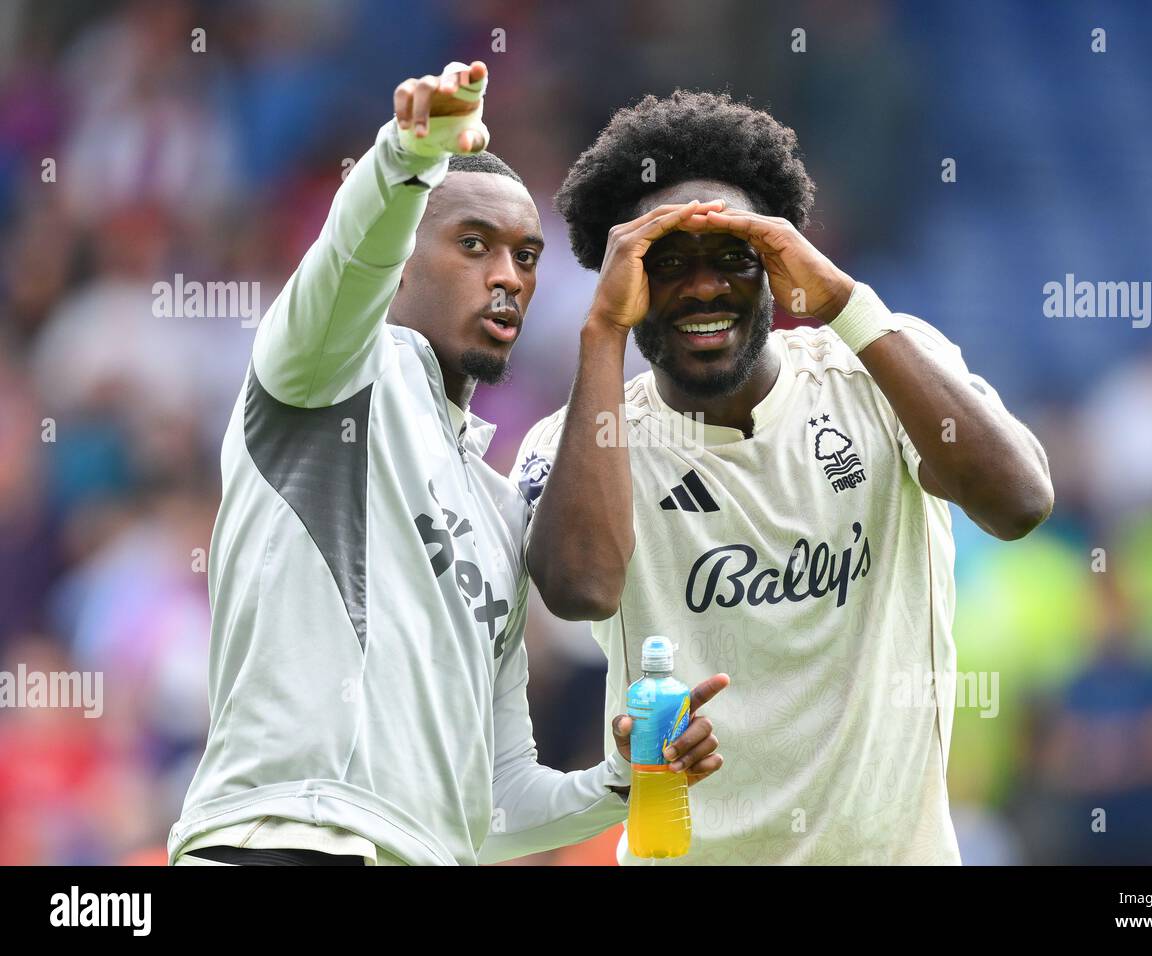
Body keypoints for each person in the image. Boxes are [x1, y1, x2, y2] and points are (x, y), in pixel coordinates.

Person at [169, 64, 726, 866]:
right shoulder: (326, 380)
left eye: (526, 257)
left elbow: (492, 803)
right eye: (473, 245)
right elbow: (349, 262)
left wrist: (624, 778)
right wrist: (407, 156)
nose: (508, 277)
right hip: (287, 839)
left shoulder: (502, 511)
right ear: (401, 257)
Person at [515, 90, 1054, 865]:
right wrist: (602, 331)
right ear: (625, 280)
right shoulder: (577, 443)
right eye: (668, 264)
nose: (704, 286)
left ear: (777, 262)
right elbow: (581, 589)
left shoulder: (879, 373)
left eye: (734, 256)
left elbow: (1020, 503)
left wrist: (843, 303)